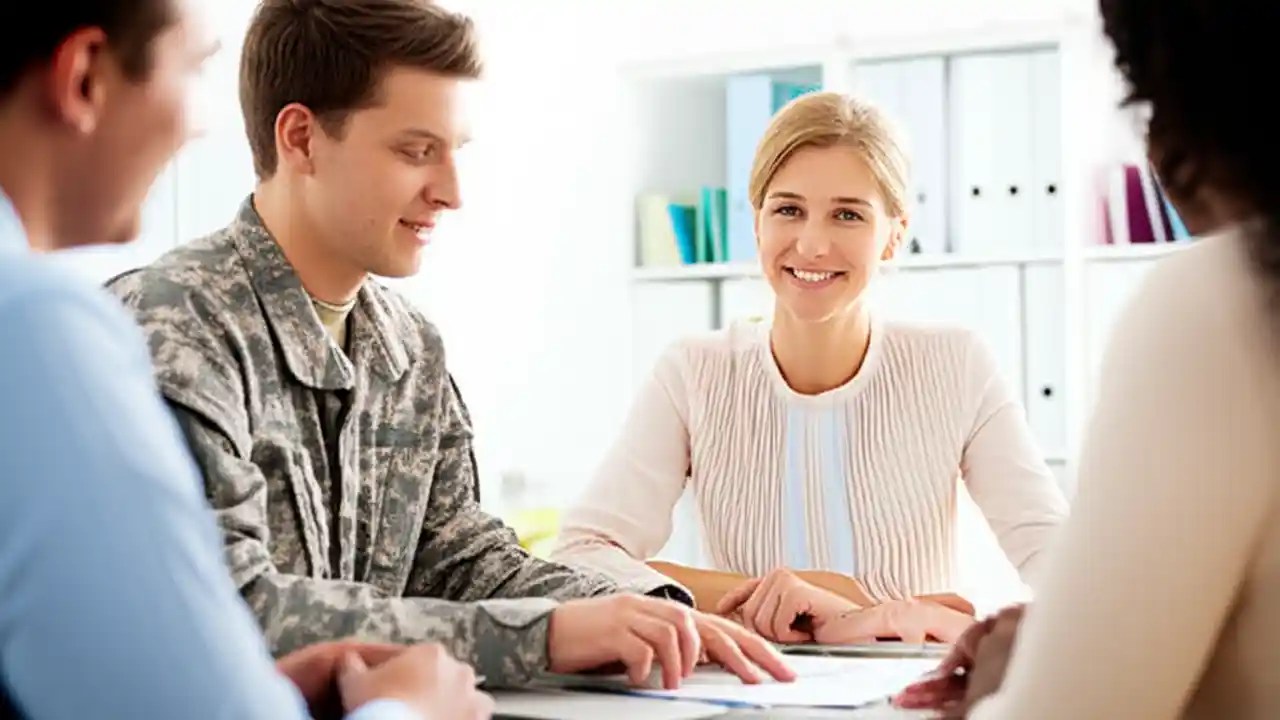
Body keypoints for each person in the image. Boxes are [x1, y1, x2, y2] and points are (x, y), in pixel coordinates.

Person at [105, 0, 792, 692]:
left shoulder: (409, 347)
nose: (452, 193)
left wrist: (642, 616)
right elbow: (226, 607)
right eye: (415, 151)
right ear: (301, 139)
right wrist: (543, 636)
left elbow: (460, 559)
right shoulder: (172, 323)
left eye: (454, 151)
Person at [0, 1, 491, 718]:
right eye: (191, 68)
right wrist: (411, 712)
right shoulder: (42, 329)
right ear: (83, 78)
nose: (200, 125)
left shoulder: (412, 339)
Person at [552, 91, 1069, 643]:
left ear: (894, 234)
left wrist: (885, 612)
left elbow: (1068, 571)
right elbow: (580, 558)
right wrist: (784, 591)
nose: (812, 243)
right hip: (748, 692)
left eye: (847, 214)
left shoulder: (956, 365)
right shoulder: (695, 372)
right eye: (788, 210)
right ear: (757, 224)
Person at [895, 1, 1280, 717]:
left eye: (1147, 95)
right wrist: (1086, 636)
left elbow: (1043, 543)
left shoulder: (1225, 300)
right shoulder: (700, 365)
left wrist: (1026, 678)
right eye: (787, 210)